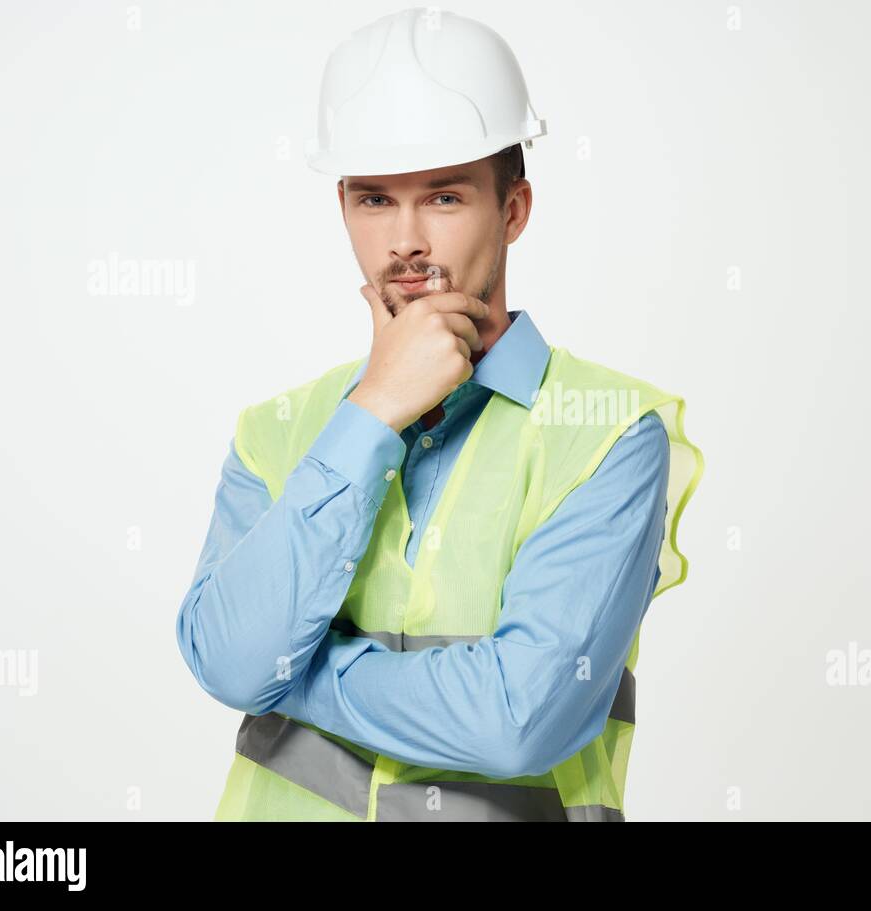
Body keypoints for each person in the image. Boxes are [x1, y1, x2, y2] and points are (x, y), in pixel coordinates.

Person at [175, 7, 702, 822]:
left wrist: (300, 673)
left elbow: (518, 721)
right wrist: (374, 411)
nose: (406, 242)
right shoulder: (278, 428)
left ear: (514, 211)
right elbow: (226, 659)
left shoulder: (605, 433)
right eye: (376, 199)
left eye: (446, 197)